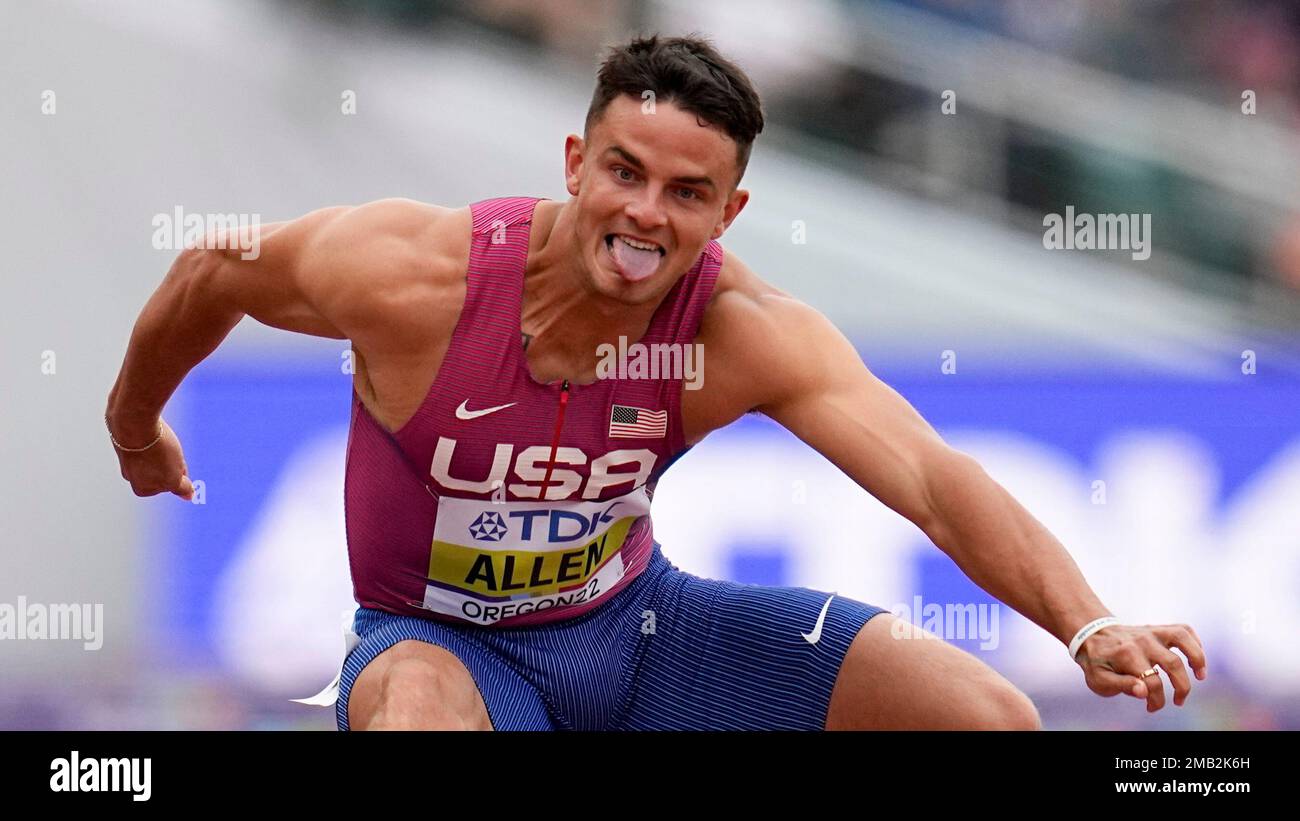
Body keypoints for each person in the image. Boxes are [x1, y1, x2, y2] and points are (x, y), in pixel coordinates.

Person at [106, 34, 1207, 730]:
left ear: (725, 215)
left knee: (985, 715)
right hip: (442, 646)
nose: (643, 215)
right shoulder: (417, 275)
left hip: (638, 631)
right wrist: (134, 424)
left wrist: (1086, 623)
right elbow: (213, 267)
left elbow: (928, 474)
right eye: (624, 174)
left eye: (685, 193)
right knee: (417, 713)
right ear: (575, 162)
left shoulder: (744, 331)